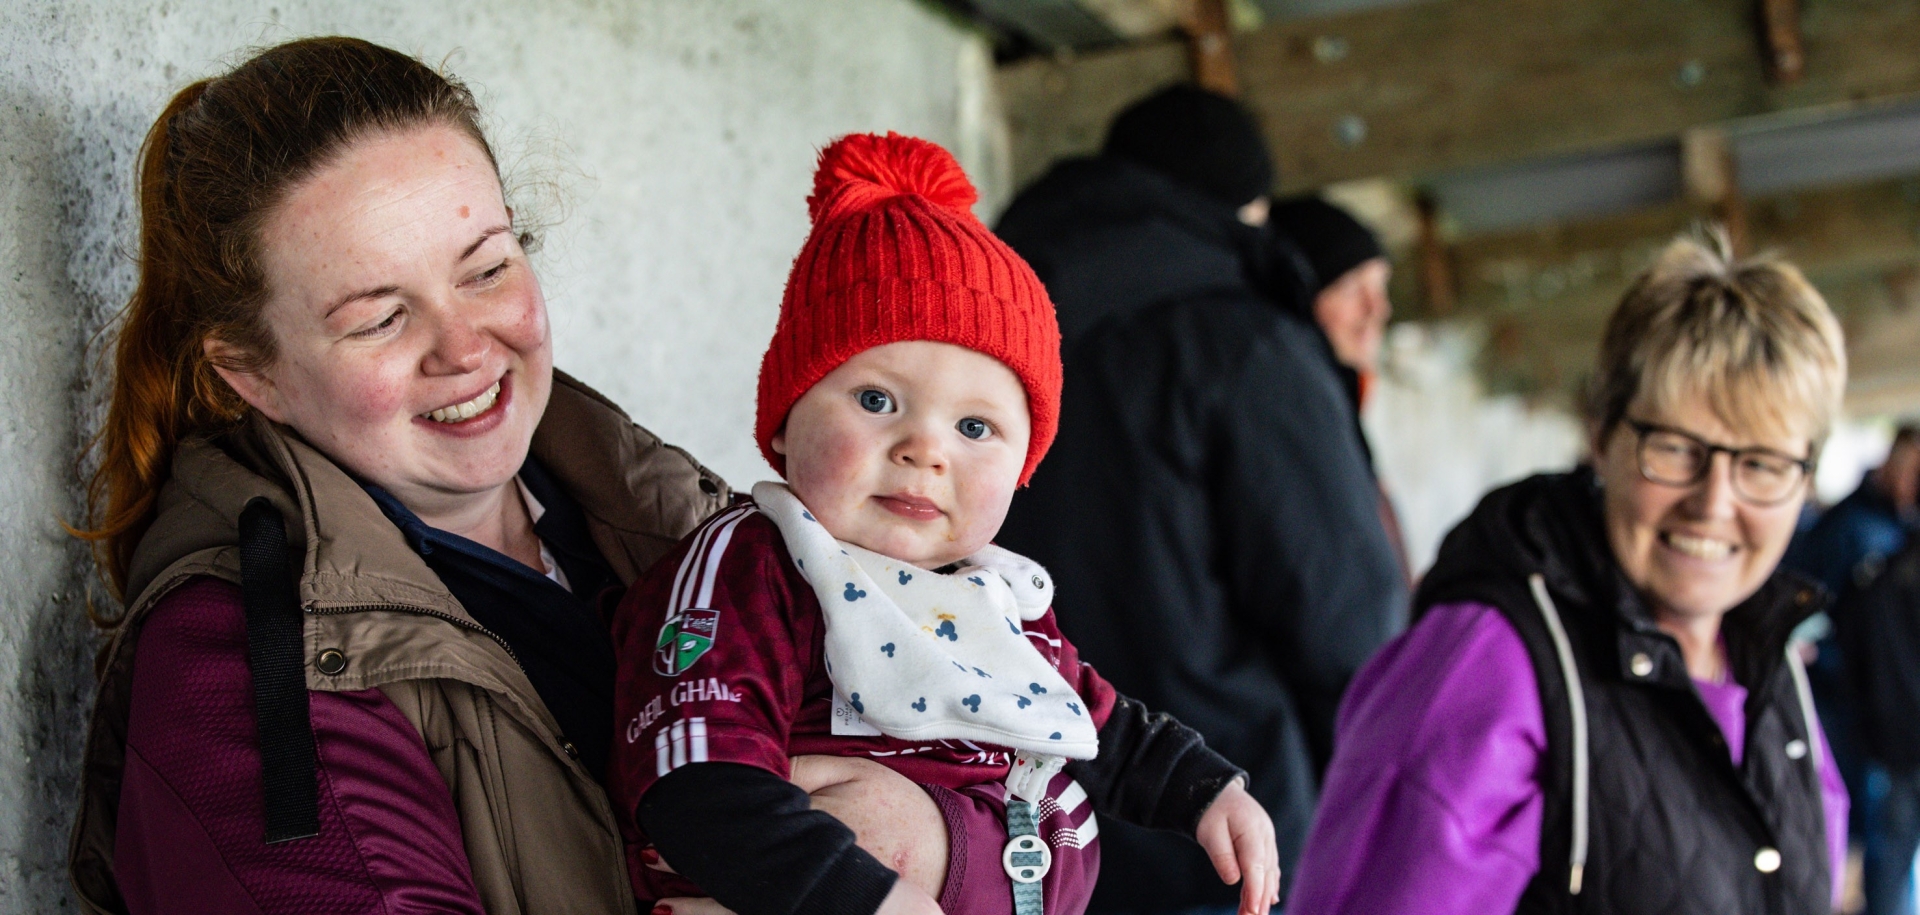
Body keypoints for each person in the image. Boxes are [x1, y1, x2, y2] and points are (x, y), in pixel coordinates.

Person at [66, 38, 957, 915]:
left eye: (488, 269)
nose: (464, 349)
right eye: (380, 319)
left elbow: (1048, 796)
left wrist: (941, 838)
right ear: (251, 373)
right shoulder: (249, 668)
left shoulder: (678, 526)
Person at [607, 133, 1279, 915]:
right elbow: (693, 767)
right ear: (786, 418)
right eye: (876, 400)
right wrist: (862, 896)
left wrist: (1208, 794)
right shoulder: (758, 565)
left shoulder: (994, 598)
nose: (924, 450)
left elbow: (1101, 724)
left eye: (975, 427)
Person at [1286, 236, 1851, 914]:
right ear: (1601, 436)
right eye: (1675, 448)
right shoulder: (1489, 662)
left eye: (1761, 464)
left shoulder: (1767, 655)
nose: (1714, 503)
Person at [993, 85, 1408, 909]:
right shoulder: (1242, 337)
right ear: (1242, 209)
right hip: (1217, 822)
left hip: (1009, 814)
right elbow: (1342, 614)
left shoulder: (994, 310)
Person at [1802, 424, 1920, 915]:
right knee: (1869, 847)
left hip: (1900, 720)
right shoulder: (1852, 528)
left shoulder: (1905, 532)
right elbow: (1810, 606)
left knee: (1893, 856)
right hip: (1857, 713)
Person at [1266, 195, 1409, 580]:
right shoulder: (1280, 420)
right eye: (1350, 287)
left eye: (1380, 286)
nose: (1377, 309)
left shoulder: (1343, 405)